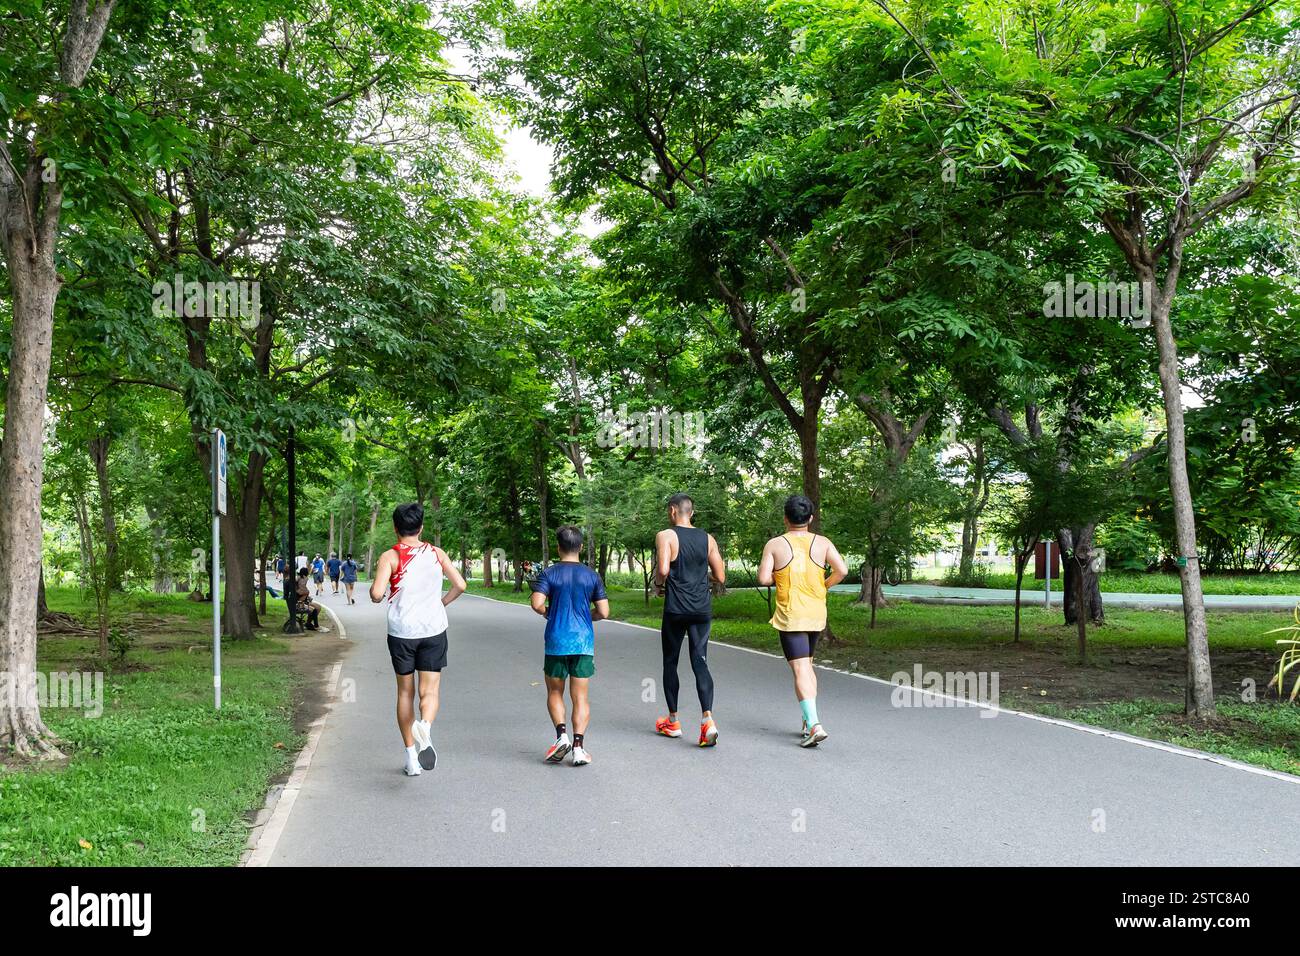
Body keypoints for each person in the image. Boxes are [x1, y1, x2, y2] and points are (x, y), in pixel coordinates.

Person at [370, 503, 466, 777]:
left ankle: (411, 757)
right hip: (433, 629)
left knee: (405, 692)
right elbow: (460, 585)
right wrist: (441, 603)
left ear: (395, 527)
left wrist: (380, 593)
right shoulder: (437, 553)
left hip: (401, 632)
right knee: (430, 691)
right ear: (421, 527)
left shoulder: (390, 556)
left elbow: (377, 594)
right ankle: (425, 725)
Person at [756, 494, 848, 747]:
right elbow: (842, 570)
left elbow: (764, 579)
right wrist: (824, 586)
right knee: (807, 665)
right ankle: (809, 721)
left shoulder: (775, 544)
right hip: (816, 612)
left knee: (800, 669)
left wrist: (780, 577)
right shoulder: (823, 542)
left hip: (791, 614)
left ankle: (815, 724)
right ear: (810, 518)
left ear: (785, 518)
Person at [529, 525, 609, 766]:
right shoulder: (591, 575)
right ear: (581, 547)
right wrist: (590, 616)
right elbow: (604, 611)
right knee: (581, 697)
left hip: (556, 641)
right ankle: (578, 747)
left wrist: (548, 613)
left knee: (555, 691)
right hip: (583, 642)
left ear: (558, 547)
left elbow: (536, 603)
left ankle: (561, 736)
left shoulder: (550, 573)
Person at [652, 492, 726, 747]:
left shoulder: (666, 535)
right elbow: (721, 576)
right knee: (700, 661)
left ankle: (672, 721)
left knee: (670, 662)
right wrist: (700, 581)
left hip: (675, 608)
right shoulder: (708, 539)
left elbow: (662, 570)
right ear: (691, 512)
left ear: (673, 511)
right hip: (701, 609)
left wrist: (659, 585)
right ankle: (708, 720)